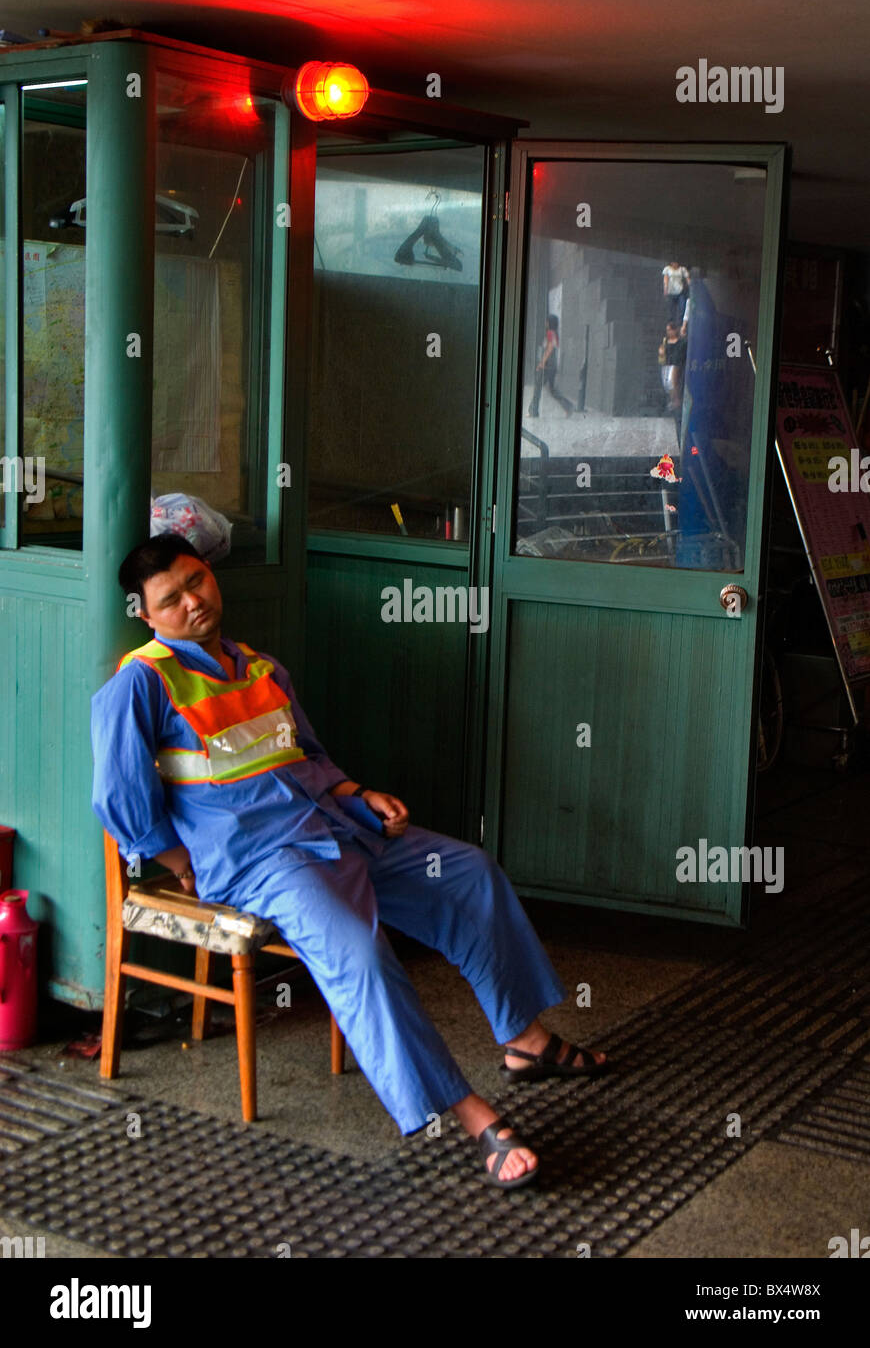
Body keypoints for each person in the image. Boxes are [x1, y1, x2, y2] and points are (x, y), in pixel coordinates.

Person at [91, 534, 609, 1190]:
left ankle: (525, 1040)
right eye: (172, 599)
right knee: (360, 959)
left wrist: (359, 795)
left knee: (470, 872)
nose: (193, 601)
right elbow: (117, 797)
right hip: (263, 864)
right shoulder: (140, 682)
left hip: (337, 829)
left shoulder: (260, 668)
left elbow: (309, 756)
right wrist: (175, 858)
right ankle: (476, 1119)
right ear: (146, 613)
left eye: (198, 582)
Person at [528, 314, 574, 419]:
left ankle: (533, 411)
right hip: (551, 366)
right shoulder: (554, 334)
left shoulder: (550, 333)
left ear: (550, 323)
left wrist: (542, 363)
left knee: (538, 388)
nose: (545, 323)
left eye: (547, 321)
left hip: (547, 366)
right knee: (552, 389)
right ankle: (568, 406)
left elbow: (549, 349)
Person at [662, 258, 689, 326]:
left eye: (676, 262)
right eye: (673, 262)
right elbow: (666, 279)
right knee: (671, 309)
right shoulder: (667, 269)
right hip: (671, 292)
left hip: (680, 291)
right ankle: (671, 322)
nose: (674, 264)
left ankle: (680, 323)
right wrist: (665, 288)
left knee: (682, 307)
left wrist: (690, 285)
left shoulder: (682, 269)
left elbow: (688, 279)